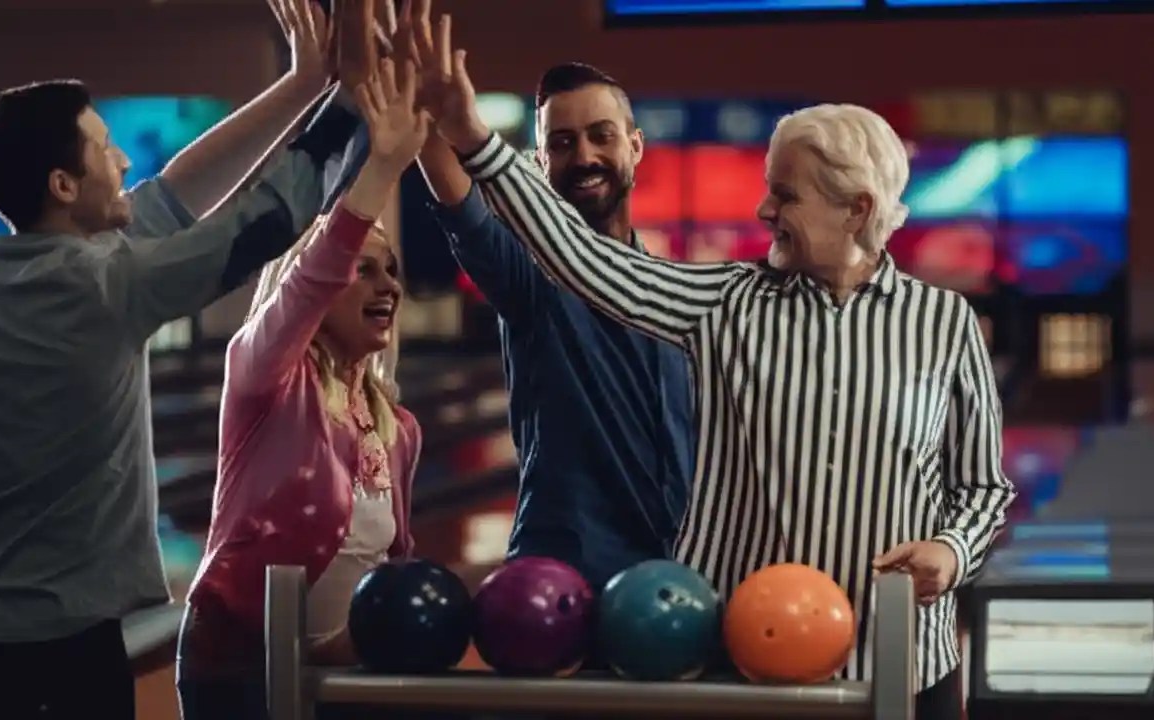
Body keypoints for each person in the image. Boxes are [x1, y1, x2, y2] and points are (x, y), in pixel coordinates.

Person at [424, 33, 1016, 720]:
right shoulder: (725, 302)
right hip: (751, 659)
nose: (765, 213)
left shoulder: (944, 323)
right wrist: (468, 135)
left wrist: (952, 550)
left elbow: (982, 488)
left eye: (785, 196)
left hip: (906, 659)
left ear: (855, 208)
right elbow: (576, 259)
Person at [0, 2, 389, 718]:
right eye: (106, 149)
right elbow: (267, 218)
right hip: (56, 654)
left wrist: (299, 87)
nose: (126, 160)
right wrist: (358, 95)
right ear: (63, 187)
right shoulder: (106, 287)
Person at [405, 3, 696, 593]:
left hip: (679, 579)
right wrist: (425, 107)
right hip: (566, 584)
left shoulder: (676, 289)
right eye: (562, 143)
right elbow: (461, 204)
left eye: (601, 136)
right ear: (541, 162)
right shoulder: (531, 273)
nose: (584, 156)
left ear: (635, 148)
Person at [174, 56, 428, 720]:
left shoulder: (397, 427)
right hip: (239, 671)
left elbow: (390, 568)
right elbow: (310, 278)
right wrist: (378, 173)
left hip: (346, 680)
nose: (388, 287)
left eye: (392, 271)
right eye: (364, 271)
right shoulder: (267, 377)